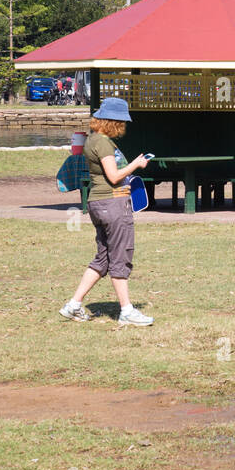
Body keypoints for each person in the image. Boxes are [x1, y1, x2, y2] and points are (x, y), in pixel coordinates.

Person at [59, 97, 154, 326]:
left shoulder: (92, 139)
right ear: (115, 122)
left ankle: (73, 304)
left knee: (103, 258)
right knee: (120, 256)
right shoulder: (103, 143)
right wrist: (136, 164)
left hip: (97, 203)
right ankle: (127, 311)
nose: (124, 127)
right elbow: (113, 176)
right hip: (113, 204)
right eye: (122, 122)